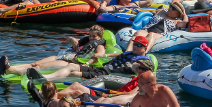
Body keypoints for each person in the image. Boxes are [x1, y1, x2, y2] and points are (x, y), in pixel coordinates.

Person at [26, 34, 155, 82]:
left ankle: (46, 78)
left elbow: (137, 68)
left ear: (145, 48)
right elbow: (118, 55)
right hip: (102, 69)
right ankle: (46, 76)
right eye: (135, 44)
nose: (136, 47)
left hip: (108, 75)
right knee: (71, 66)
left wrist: (136, 68)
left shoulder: (144, 61)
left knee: (73, 70)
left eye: (139, 45)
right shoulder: (129, 53)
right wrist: (105, 56)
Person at [0, 25, 107, 77]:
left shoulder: (100, 44)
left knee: (39, 67)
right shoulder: (85, 41)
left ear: (100, 36)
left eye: (94, 36)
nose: (92, 38)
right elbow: (69, 40)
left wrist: (93, 58)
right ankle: (10, 68)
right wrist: (73, 40)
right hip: (64, 55)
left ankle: (13, 72)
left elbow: (100, 53)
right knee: (35, 63)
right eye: (90, 36)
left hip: (70, 61)